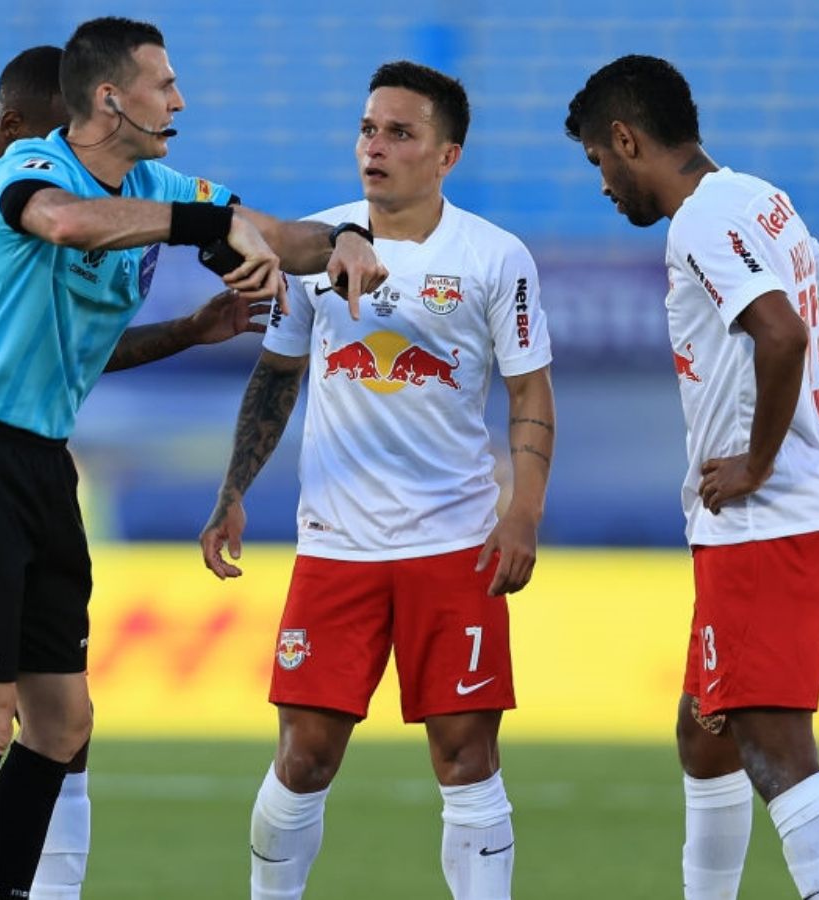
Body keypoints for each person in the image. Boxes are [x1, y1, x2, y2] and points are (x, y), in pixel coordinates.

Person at [0, 17, 387, 900]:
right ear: (109, 98)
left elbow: (272, 233)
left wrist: (346, 241)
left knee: (62, 722)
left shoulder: (160, 184)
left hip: (44, 463)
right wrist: (209, 225)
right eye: (164, 85)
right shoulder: (31, 167)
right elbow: (69, 224)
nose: (180, 101)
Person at [0, 44, 272, 900]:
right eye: (51, 142)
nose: (66, 161)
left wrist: (189, 329)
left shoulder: (68, 202)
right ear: (12, 128)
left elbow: (71, 351)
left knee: (63, 725)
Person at [199, 60, 556, 900]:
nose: (376, 147)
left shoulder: (494, 257)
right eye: (368, 129)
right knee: (303, 757)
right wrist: (232, 491)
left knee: (467, 758)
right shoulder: (312, 244)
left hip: (456, 545)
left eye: (400, 133)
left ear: (447, 156)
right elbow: (277, 375)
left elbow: (529, 392)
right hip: (337, 545)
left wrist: (524, 513)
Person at [563, 55, 819, 900]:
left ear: (627, 139)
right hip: (777, 516)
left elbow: (784, 334)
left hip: (765, 523)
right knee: (704, 733)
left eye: (599, 161)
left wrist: (763, 461)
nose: (604, 185)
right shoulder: (761, 199)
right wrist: (807, 435)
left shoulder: (701, 223)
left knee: (774, 749)